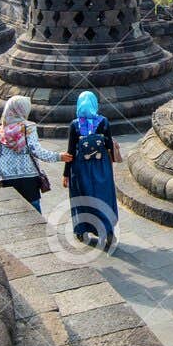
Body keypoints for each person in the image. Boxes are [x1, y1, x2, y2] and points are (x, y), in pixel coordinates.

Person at [0, 95, 69, 211]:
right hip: (28, 178)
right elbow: (36, 151)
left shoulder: (0, 130)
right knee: (34, 213)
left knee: (13, 216)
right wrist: (58, 157)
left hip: (6, 178)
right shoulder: (28, 128)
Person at [64, 90, 119, 250]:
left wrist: (66, 173)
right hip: (101, 166)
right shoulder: (103, 122)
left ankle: (82, 230)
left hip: (80, 167)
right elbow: (109, 146)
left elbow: (70, 152)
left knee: (82, 197)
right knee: (104, 196)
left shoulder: (75, 125)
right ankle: (107, 229)